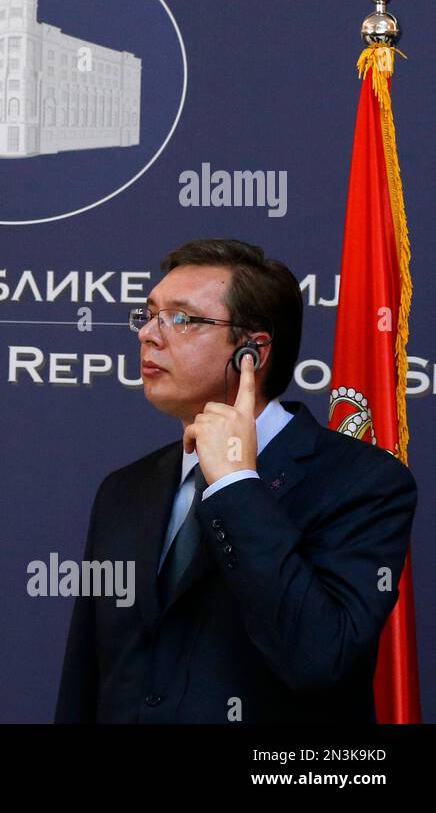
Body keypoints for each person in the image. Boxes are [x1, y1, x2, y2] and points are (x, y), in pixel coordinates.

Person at [55, 238, 416, 723]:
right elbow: (88, 678)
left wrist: (235, 486)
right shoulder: (124, 488)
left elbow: (319, 659)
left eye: (181, 319)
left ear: (253, 351)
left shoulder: (364, 482)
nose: (148, 335)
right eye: (148, 315)